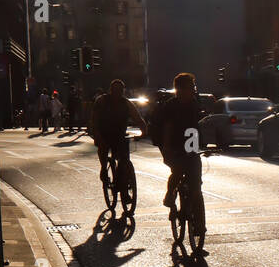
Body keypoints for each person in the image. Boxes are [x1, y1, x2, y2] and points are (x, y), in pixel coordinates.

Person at [149, 72, 207, 210]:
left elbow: (197, 126)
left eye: (193, 86)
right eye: (190, 87)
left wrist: (203, 145)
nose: (193, 89)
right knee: (178, 170)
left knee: (196, 184)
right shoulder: (171, 107)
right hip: (171, 146)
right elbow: (168, 128)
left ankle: (199, 225)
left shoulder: (194, 104)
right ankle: (170, 194)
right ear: (180, 90)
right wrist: (167, 148)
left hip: (190, 146)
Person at [89, 79, 145, 190]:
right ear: (110, 90)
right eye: (115, 90)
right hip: (104, 132)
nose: (118, 92)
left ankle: (125, 182)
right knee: (103, 148)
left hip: (120, 134)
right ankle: (104, 169)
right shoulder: (102, 100)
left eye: (120, 90)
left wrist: (144, 131)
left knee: (124, 158)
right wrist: (96, 134)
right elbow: (94, 119)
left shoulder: (127, 103)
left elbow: (138, 118)